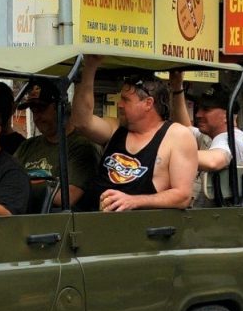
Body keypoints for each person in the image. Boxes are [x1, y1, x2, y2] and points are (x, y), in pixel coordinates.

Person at [67, 57, 197, 212]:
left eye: (125, 100)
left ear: (148, 103)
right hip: (90, 217)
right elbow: (81, 122)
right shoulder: (116, 128)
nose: (119, 104)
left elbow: (182, 196)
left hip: (136, 223)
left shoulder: (177, 136)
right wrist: (90, 67)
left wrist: (134, 201)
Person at [12, 81, 101, 210]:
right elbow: (7, 182)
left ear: (61, 108)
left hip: (58, 220)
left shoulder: (82, 146)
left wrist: (22, 187)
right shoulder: (28, 146)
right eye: (33, 110)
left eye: (41, 109)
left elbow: (68, 197)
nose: (37, 117)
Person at [170, 82, 243, 204]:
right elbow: (184, 129)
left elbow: (213, 161)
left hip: (221, 215)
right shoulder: (211, 137)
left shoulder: (231, 139)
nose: (198, 114)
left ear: (226, 115)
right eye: (199, 108)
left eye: (206, 110)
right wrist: (177, 88)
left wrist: (165, 155)